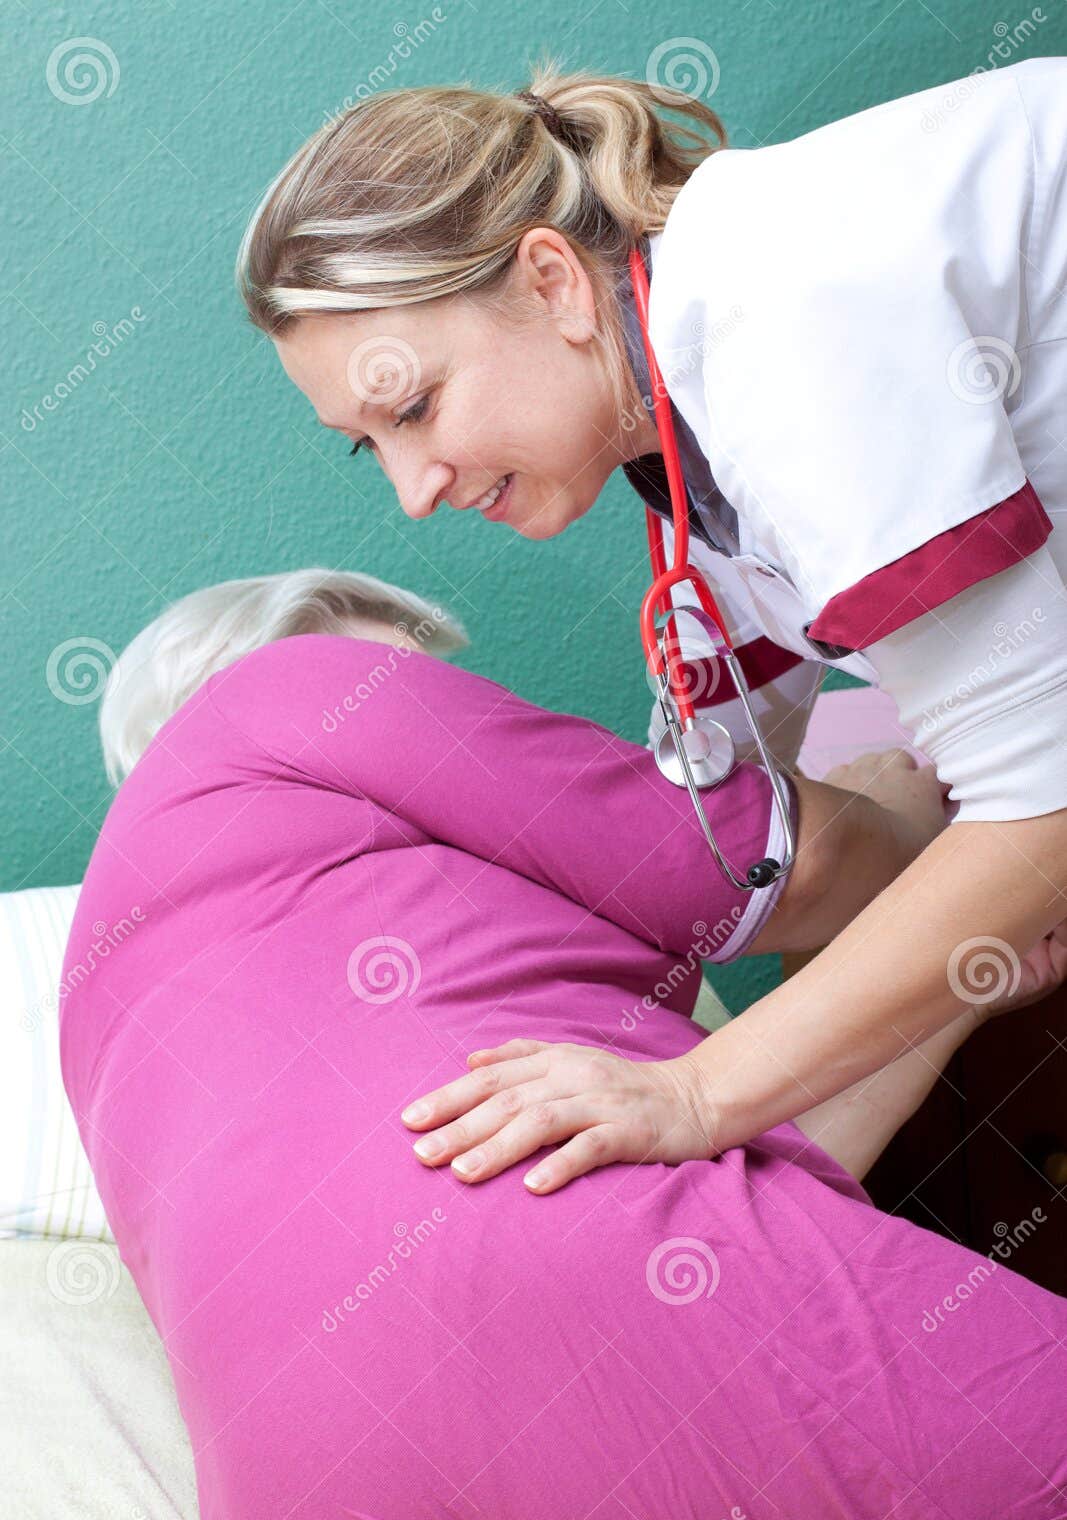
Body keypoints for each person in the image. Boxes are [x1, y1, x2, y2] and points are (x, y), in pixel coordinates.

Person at [59, 570, 1067, 1520]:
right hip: (557, 1283)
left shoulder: (94, 1000)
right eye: (420, 687)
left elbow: (715, 1176)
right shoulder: (287, 689)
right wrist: (910, 822)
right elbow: (771, 867)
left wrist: (958, 987)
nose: (468, 719)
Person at [233, 55, 1067, 1191]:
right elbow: (692, 836)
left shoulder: (785, 317)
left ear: (552, 283)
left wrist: (691, 1093)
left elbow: (1043, 807)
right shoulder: (688, 467)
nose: (410, 490)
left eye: (415, 406)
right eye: (365, 444)